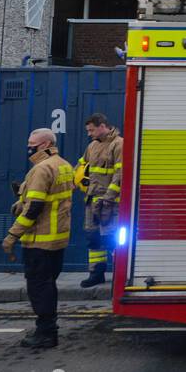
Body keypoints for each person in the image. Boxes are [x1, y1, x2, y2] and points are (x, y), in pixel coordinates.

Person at [1, 129, 74, 349]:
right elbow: (47, 199)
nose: (28, 147)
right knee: (48, 285)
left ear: (45, 144)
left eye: (32, 144)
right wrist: (21, 200)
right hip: (57, 239)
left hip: (39, 239)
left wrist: (13, 235)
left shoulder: (41, 169)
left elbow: (35, 208)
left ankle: (46, 333)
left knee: (39, 287)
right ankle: (48, 328)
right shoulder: (63, 165)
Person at [74, 113, 122, 288]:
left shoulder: (119, 144)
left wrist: (109, 198)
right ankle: (96, 273)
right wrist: (72, 182)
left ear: (102, 126)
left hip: (110, 202)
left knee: (112, 238)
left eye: (91, 130)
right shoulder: (92, 146)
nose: (89, 133)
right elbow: (80, 167)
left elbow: (120, 175)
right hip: (92, 199)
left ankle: (120, 273)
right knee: (92, 237)